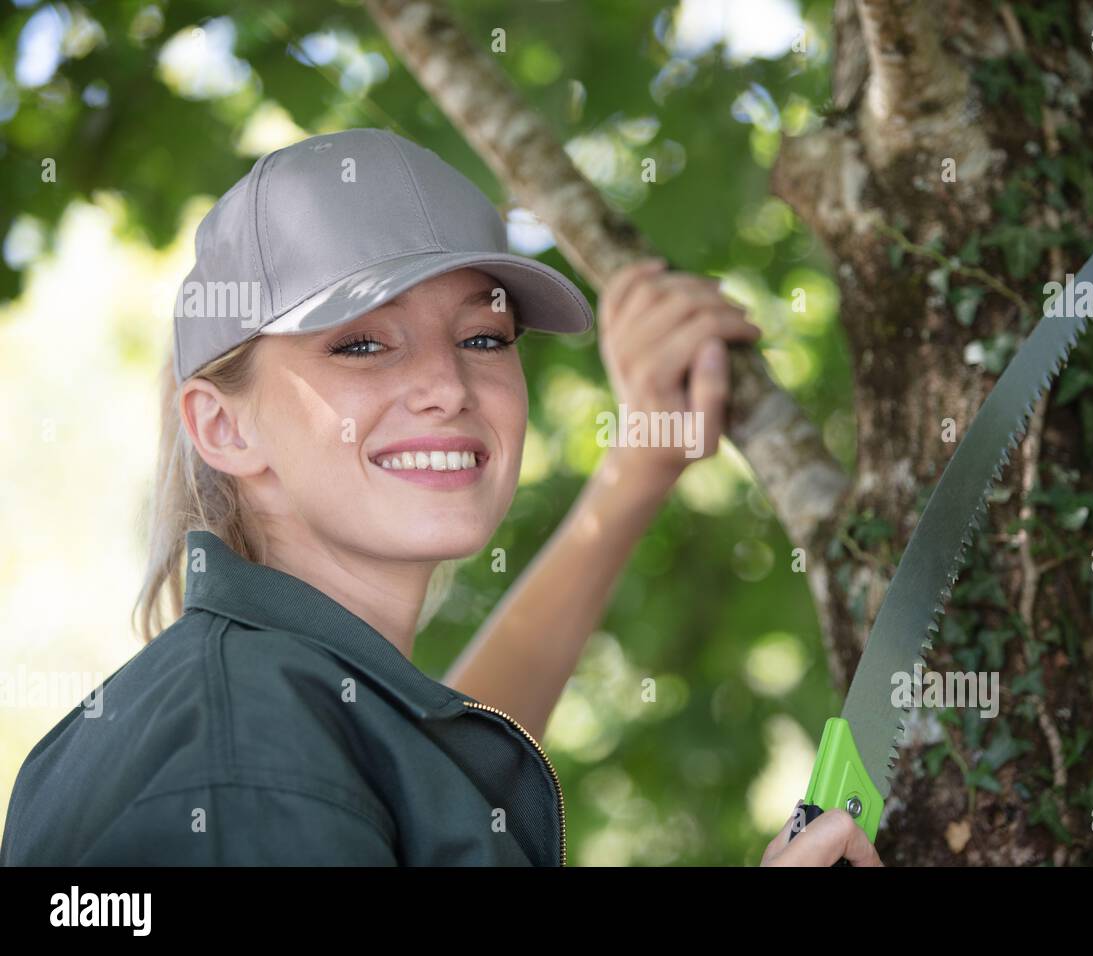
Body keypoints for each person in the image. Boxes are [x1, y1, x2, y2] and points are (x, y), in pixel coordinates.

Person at [0, 128, 881, 867]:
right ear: (225, 428)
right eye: (361, 345)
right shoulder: (250, 760)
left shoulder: (301, 708)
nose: (446, 385)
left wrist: (639, 466)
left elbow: (431, 782)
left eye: (483, 336)